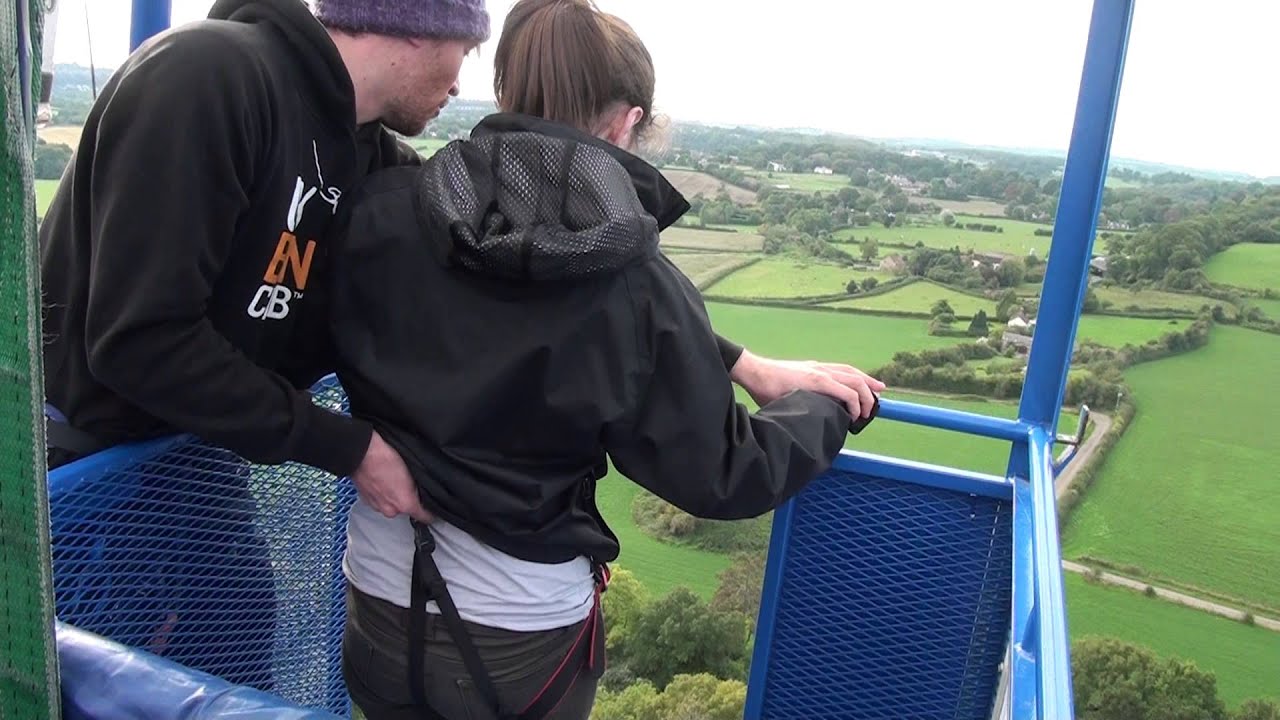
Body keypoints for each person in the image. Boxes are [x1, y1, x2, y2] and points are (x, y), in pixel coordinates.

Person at [327, 1, 885, 718]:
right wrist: (824, 407)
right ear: (626, 121)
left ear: (505, 94)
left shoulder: (382, 208)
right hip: (515, 645)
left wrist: (742, 361)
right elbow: (721, 471)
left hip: (374, 610)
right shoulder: (632, 281)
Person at [37, 0, 492, 689]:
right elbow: (141, 342)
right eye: (468, 51)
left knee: (242, 658)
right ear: (417, 27)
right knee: (99, 689)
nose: (460, 82)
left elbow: (469, 240)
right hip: (82, 483)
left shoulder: (359, 147)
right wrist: (352, 449)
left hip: (190, 464)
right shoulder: (210, 80)